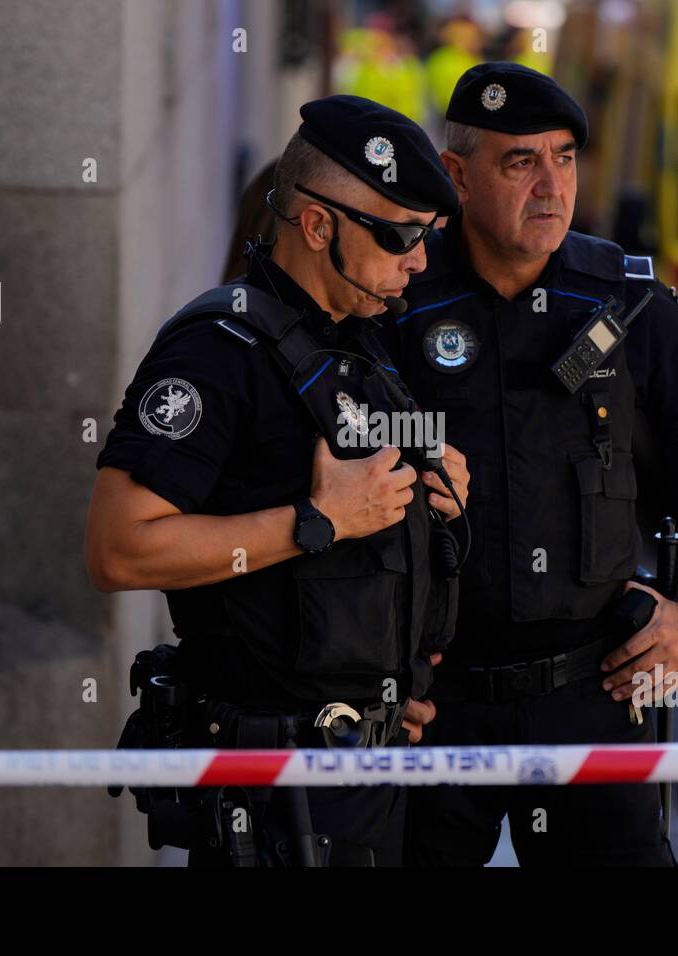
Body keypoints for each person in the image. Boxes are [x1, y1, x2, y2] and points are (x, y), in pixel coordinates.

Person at [379, 63, 678, 866]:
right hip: (435, 699)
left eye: (564, 157)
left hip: (592, 693)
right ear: (457, 176)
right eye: (522, 162)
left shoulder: (624, 303)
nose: (552, 185)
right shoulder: (396, 301)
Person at [85, 95, 469, 867]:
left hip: (368, 773)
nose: (419, 260)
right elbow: (117, 550)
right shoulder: (215, 350)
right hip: (272, 795)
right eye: (398, 235)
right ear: (318, 225)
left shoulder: (361, 338)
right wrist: (316, 518)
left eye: (427, 236)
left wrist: (433, 494)